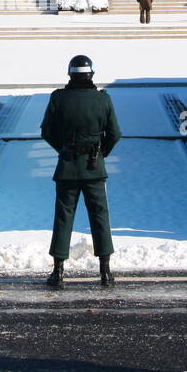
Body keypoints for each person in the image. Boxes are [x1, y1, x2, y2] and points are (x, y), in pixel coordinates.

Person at [39, 55, 122, 289]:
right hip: (95, 168)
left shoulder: (58, 98)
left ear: (70, 74)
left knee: (63, 217)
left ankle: (58, 271)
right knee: (100, 217)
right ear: (91, 75)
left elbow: (46, 131)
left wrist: (64, 149)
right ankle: (105, 271)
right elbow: (115, 134)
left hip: (67, 168)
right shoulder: (102, 99)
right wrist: (100, 152)